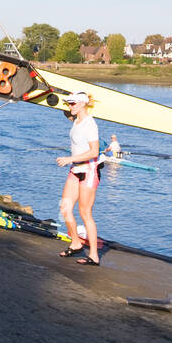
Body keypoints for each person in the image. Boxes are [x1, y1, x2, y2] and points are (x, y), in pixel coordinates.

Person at [56, 91, 102, 265]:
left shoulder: (90, 124)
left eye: (73, 104)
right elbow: (65, 109)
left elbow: (94, 152)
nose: (70, 106)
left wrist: (69, 159)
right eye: (69, 103)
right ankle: (75, 243)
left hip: (89, 170)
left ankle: (94, 256)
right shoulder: (75, 120)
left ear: (82, 104)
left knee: (85, 213)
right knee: (65, 208)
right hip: (76, 169)